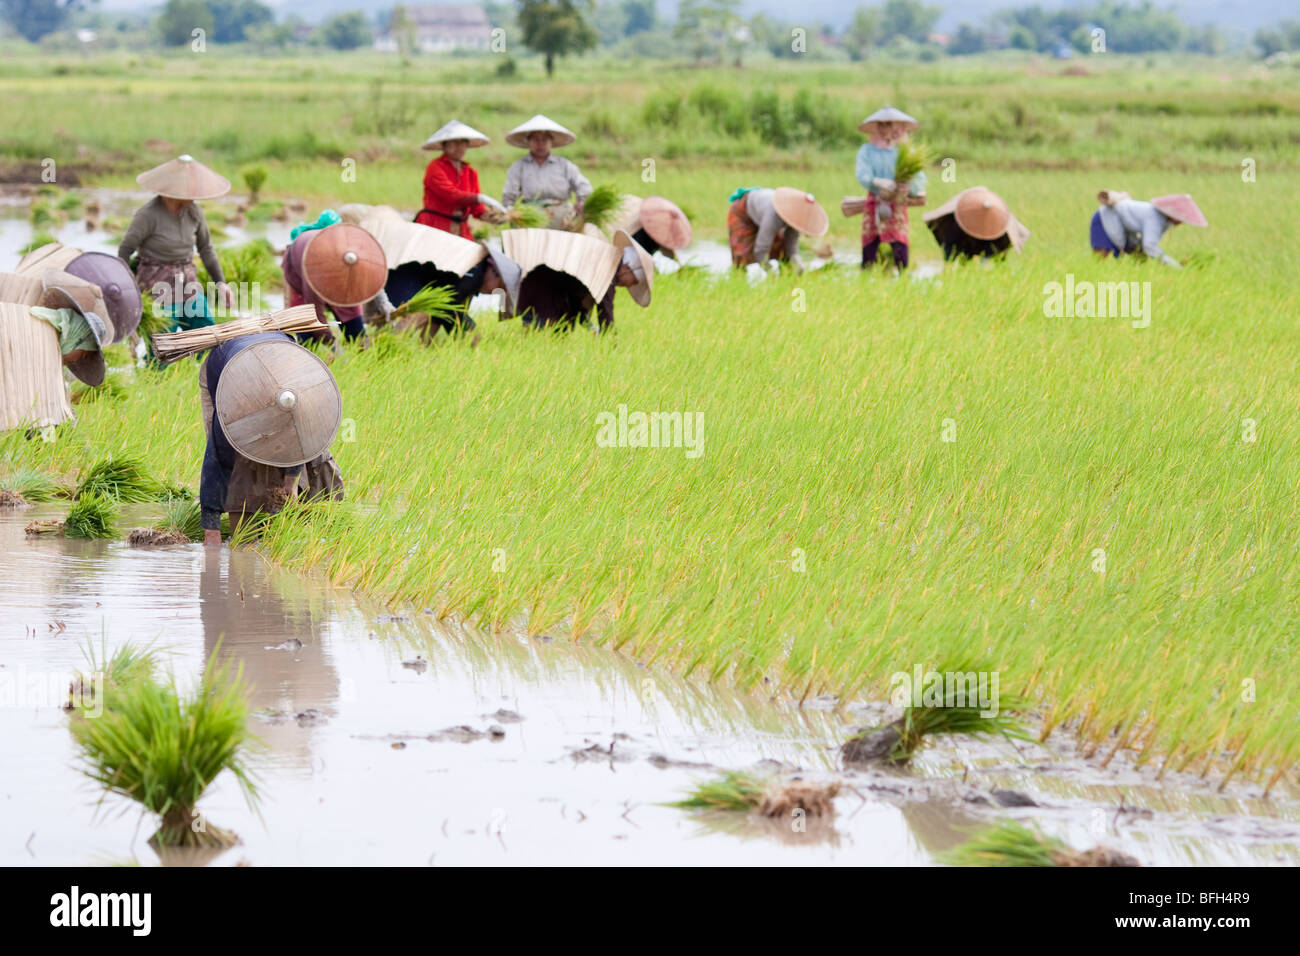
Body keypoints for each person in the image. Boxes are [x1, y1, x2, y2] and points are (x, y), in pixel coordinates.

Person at [199, 331, 344, 546]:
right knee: (241, 458)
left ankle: (280, 520)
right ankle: (245, 516)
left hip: (277, 356)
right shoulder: (235, 411)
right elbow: (215, 463)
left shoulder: (304, 394)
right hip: (225, 367)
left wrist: (290, 483)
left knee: (310, 454)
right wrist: (211, 530)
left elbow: (300, 442)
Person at [118, 154, 234, 329]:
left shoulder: (194, 212)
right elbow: (125, 250)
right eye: (190, 192)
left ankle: (202, 357)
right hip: (157, 287)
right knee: (165, 343)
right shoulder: (148, 215)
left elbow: (206, 249)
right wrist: (127, 288)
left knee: (206, 333)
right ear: (176, 193)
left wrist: (221, 283)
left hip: (188, 284)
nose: (194, 196)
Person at [504, 228, 650, 333]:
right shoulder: (607, 269)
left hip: (544, 288)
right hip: (545, 291)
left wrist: (589, 326)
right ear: (627, 268)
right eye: (634, 281)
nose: (629, 285)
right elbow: (605, 311)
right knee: (541, 336)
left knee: (559, 330)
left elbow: (577, 298)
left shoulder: (604, 260)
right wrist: (611, 341)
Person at [281, 219, 389, 345]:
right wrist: (332, 344)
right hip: (299, 270)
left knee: (355, 329)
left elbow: (372, 283)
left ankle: (363, 352)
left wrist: (383, 303)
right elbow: (314, 315)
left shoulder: (359, 258)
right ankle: (307, 358)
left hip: (334, 261)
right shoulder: (315, 271)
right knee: (307, 333)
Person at [855, 106, 927, 271]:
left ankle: (903, 276)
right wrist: (878, 182)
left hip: (898, 201)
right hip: (875, 199)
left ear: (899, 128)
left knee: (899, 240)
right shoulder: (867, 150)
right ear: (877, 127)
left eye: (891, 126)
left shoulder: (906, 151)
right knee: (870, 240)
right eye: (882, 125)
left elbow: (919, 178)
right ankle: (865, 275)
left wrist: (908, 187)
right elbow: (862, 174)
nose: (886, 130)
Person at [414, 120, 507, 239]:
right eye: (454, 143)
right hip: (434, 226)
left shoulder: (470, 173)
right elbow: (451, 195)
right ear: (444, 145)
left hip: (461, 230)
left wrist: (493, 217)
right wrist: (479, 198)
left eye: (463, 143)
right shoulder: (435, 167)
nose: (459, 147)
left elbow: (476, 209)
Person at [501, 115, 593, 229]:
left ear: (551, 142)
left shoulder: (564, 165)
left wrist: (581, 202)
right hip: (529, 217)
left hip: (561, 217)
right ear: (528, 142)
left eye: (544, 140)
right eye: (535, 140)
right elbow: (509, 194)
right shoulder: (519, 166)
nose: (540, 144)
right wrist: (509, 210)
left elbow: (583, 186)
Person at [727, 187, 828, 277]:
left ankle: (787, 277)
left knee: (783, 249)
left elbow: (791, 244)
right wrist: (770, 271)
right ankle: (739, 280)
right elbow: (761, 250)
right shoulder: (772, 217)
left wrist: (796, 262)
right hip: (743, 211)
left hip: (762, 212)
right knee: (741, 256)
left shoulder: (795, 219)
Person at [1090, 191, 1207, 268]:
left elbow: (1147, 246)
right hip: (1104, 219)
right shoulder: (1155, 217)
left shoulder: (1164, 221)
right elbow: (1150, 246)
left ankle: (1134, 278)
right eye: (1181, 218)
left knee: (1140, 255)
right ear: (1173, 214)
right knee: (1101, 258)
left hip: (1122, 226)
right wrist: (1176, 266)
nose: (1181, 222)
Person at [923, 187, 1030, 261]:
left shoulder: (1001, 226)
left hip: (988, 244)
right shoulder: (951, 221)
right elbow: (948, 247)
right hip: (961, 241)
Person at [610, 195, 693, 261]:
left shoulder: (660, 233)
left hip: (639, 253)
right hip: (633, 246)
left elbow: (668, 253)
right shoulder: (641, 224)